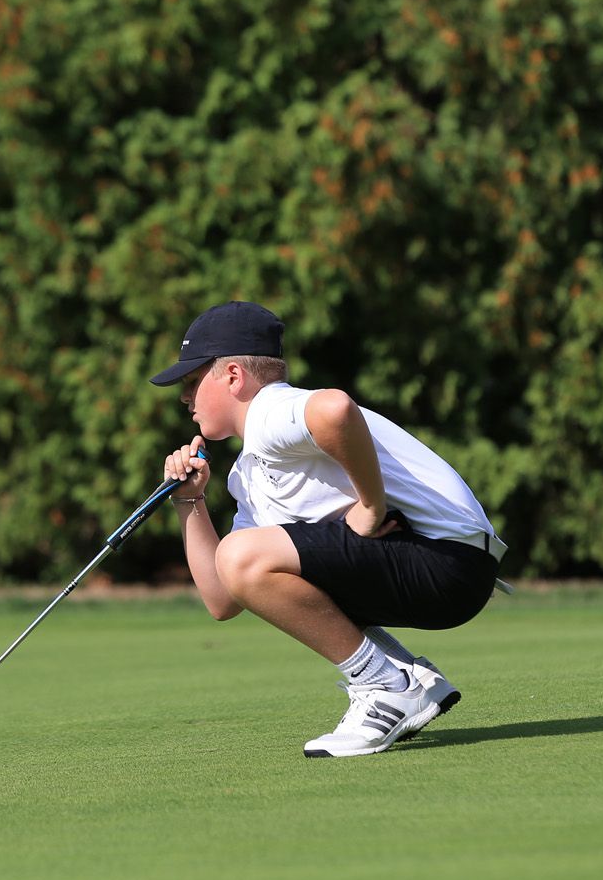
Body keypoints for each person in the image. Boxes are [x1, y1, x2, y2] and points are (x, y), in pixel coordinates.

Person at [151, 300, 508, 757]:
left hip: (448, 560)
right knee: (245, 560)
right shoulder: (249, 472)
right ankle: (405, 675)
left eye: (192, 381)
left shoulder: (270, 410)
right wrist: (189, 501)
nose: (184, 397)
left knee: (242, 553)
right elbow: (224, 597)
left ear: (234, 377)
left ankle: (387, 686)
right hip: (448, 570)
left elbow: (335, 408)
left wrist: (369, 507)